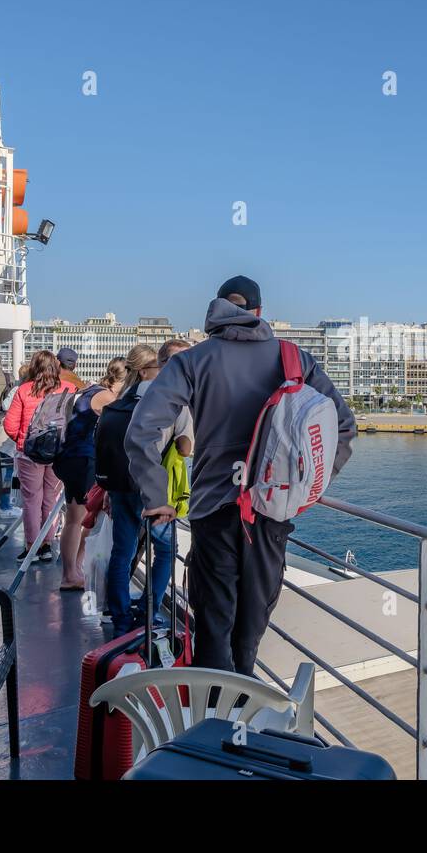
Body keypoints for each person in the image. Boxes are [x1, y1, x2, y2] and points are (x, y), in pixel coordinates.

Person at [125, 275, 355, 674]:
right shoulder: (294, 358)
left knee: (214, 627)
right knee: (250, 631)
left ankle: (212, 718)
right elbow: (343, 427)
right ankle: (242, 715)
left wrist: (156, 496)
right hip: (271, 512)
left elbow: (142, 431)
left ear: (216, 309)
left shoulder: (192, 360)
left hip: (213, 510)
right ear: (260, 313)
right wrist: (308, 490)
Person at [98, 344, 184, 634]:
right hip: (151, 488)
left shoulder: (120, 400)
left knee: (123, 551)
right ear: (151, 369)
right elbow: (186, 447)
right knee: (165, 549)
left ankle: (119, 615)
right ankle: (150, 610)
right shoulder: (169, 399)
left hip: (120, 484)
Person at [55, 356, 126, 591]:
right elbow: (118, 432)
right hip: (81, 460)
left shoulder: (91, 390)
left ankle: (74, 568)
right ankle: (70, 575)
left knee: (78, 519)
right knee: (76, 520)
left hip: (69, 457)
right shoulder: (108, 397)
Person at [3, 350, 77, 563]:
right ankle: (46, 545)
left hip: (30, 454)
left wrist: (22, 440)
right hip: (57, 453)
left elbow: (10, 425)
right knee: (50, 500)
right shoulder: (68, 389)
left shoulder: (24, 390)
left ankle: (31, 547)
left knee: (31, 500)